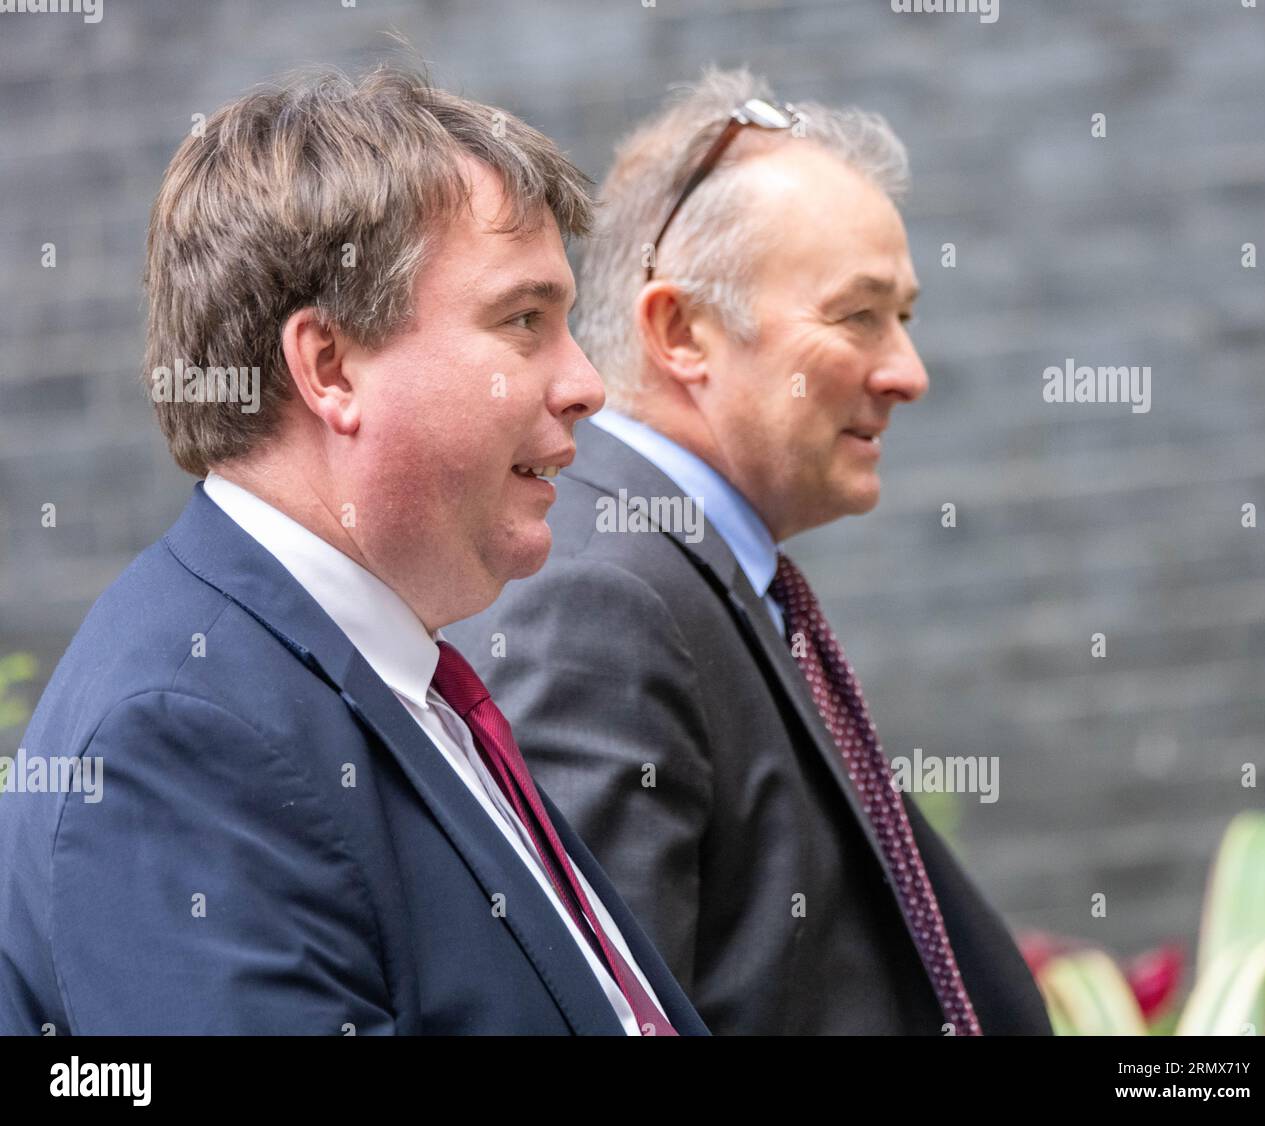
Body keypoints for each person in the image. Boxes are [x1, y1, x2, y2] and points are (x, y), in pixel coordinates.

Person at [0, 63, 706, 1037]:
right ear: (330, 367)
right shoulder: (181, 740)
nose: (585, 382)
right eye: (523, 321)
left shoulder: (382, 672)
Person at [445, 67, 1051, 1035]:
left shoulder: (679, 570)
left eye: (904, 317)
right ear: (682, 330)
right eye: (856, 315)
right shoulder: (599, 600)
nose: (908, 372)